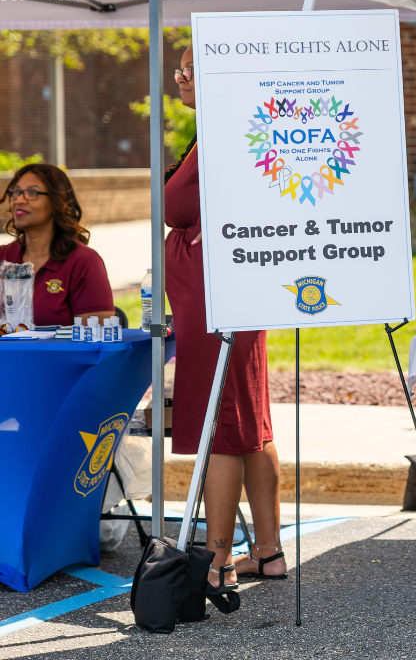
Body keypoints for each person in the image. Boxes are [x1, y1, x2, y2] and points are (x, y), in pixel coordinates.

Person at [165, 46, 285, 588]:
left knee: (224, 427)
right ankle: (266, 550)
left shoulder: (228, 134)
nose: (179, 77)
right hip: (219, 290)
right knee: (249, 422)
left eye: (187, 69)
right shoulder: (223, 131)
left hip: (219, 294)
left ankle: (217, 563)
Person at [1, 163, 114, 326]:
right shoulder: (4, 257)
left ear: (57, 202)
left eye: (31, 193)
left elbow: (96, 339)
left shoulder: (84, 262)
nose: (18, 200)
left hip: (62, 353)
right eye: (15, 192)